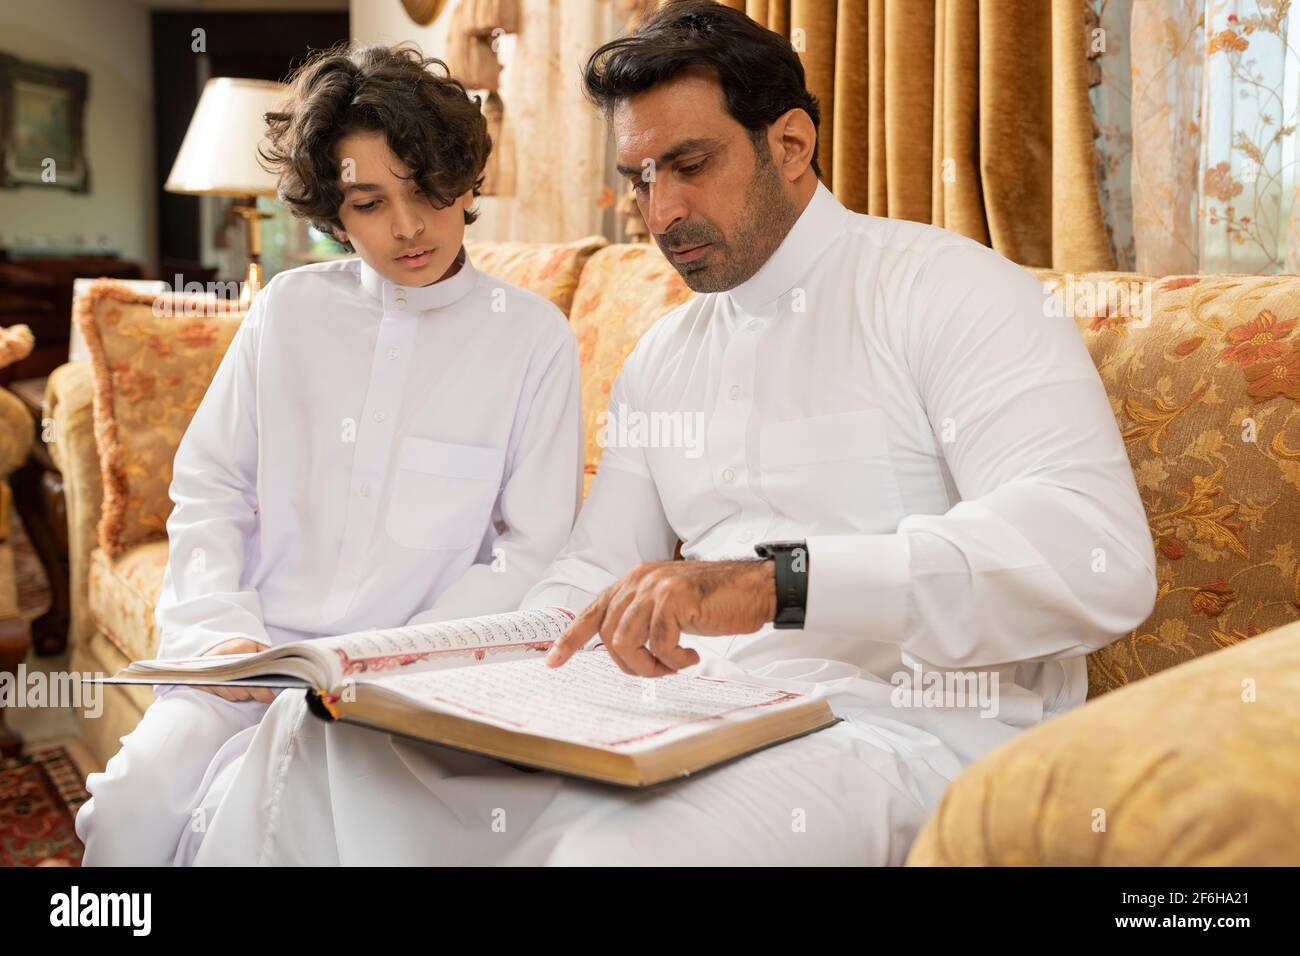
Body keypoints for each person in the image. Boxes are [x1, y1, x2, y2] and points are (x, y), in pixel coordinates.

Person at [191, 2, 1156, 866]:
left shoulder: (954, 289)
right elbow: (582, 576)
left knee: (605, 854)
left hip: (896, 729)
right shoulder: (666, 353)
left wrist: (776, 584)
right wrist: (426, 672)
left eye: (690, 166)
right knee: (326, 742)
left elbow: (1099, 558)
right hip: (694, 710)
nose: (660, 213)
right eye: (639, 177)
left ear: (789, 144)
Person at [74, 42, 582, 866]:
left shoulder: (532, 340)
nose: (409, 227)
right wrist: (221, 635)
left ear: (464, 177)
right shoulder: (290, 310)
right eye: (371, 202)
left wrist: (393, 659)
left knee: (261, 827)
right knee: (130, 809)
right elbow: (211, 484)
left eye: (425, 190)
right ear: (334, 214)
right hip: (249, 659)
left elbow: (531, 546)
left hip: (405, 679)